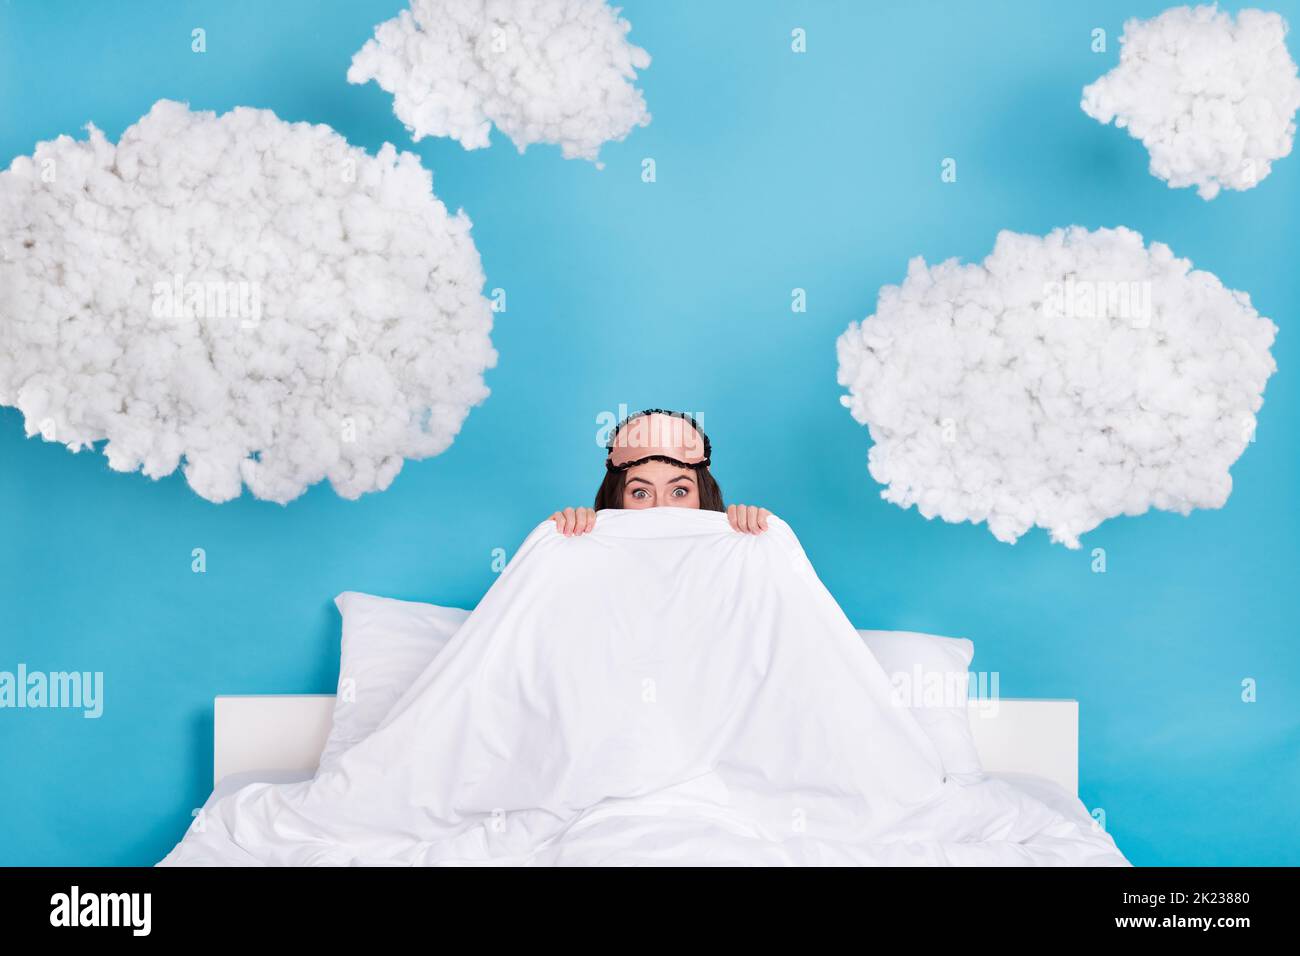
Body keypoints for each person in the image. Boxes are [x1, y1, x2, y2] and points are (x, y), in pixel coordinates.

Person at [550, 408, 772, 536]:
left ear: (702, 494)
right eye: (640, 493)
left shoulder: (734, 556)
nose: (661, 508)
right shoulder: (590, 561)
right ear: (616, 499)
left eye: (679, 491)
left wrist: (761, 534)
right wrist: (561, 538)